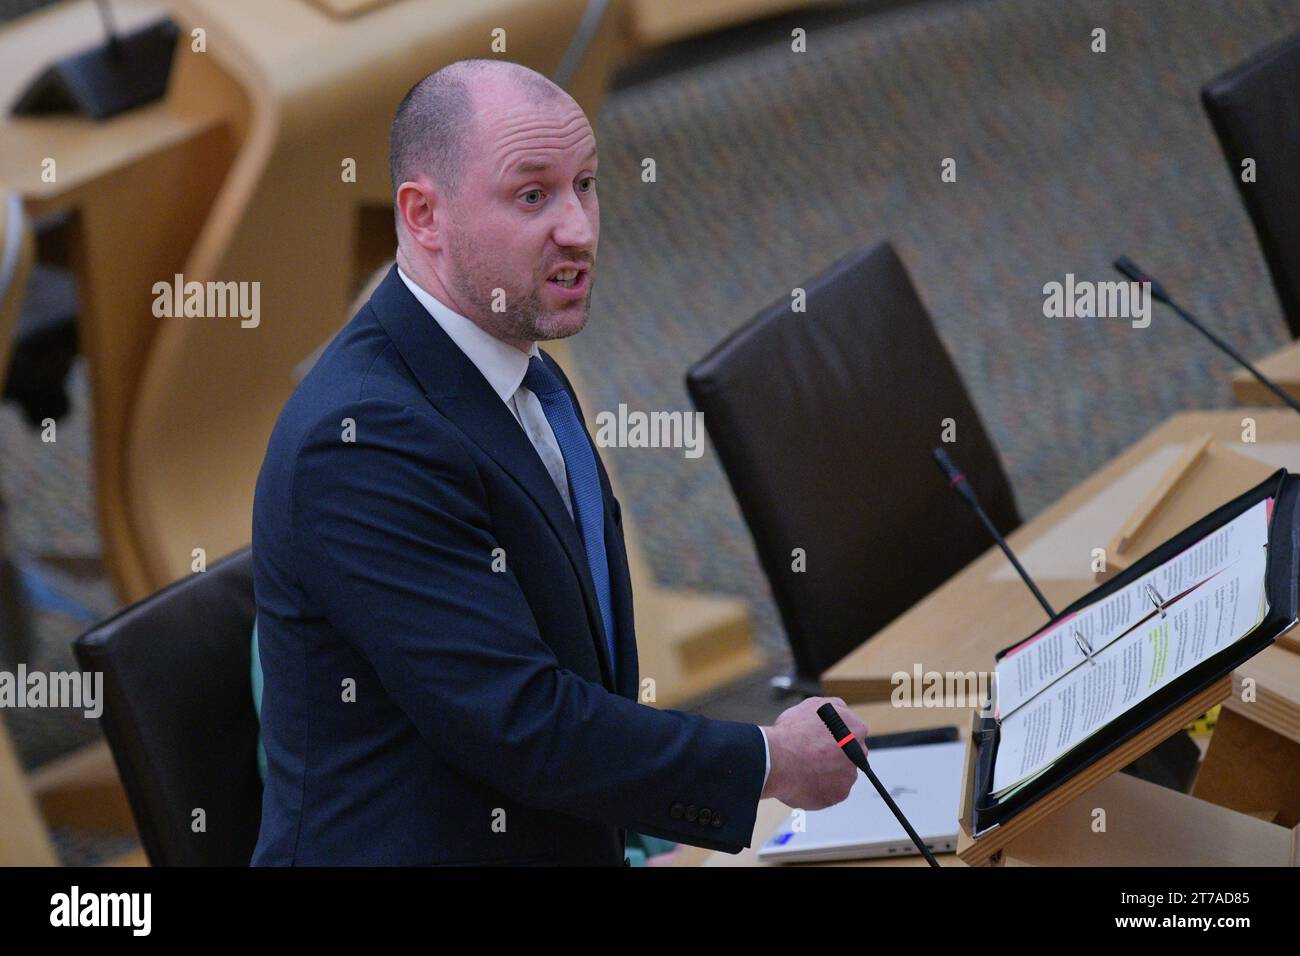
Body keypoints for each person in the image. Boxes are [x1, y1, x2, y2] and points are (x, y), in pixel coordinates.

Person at [250, 59, 867, 866]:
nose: (578, 229)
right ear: (424, 214)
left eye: (586, 184)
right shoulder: (363, 442)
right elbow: (520, 722)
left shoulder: (521, 373)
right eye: (533, 195)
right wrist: (771, 762)